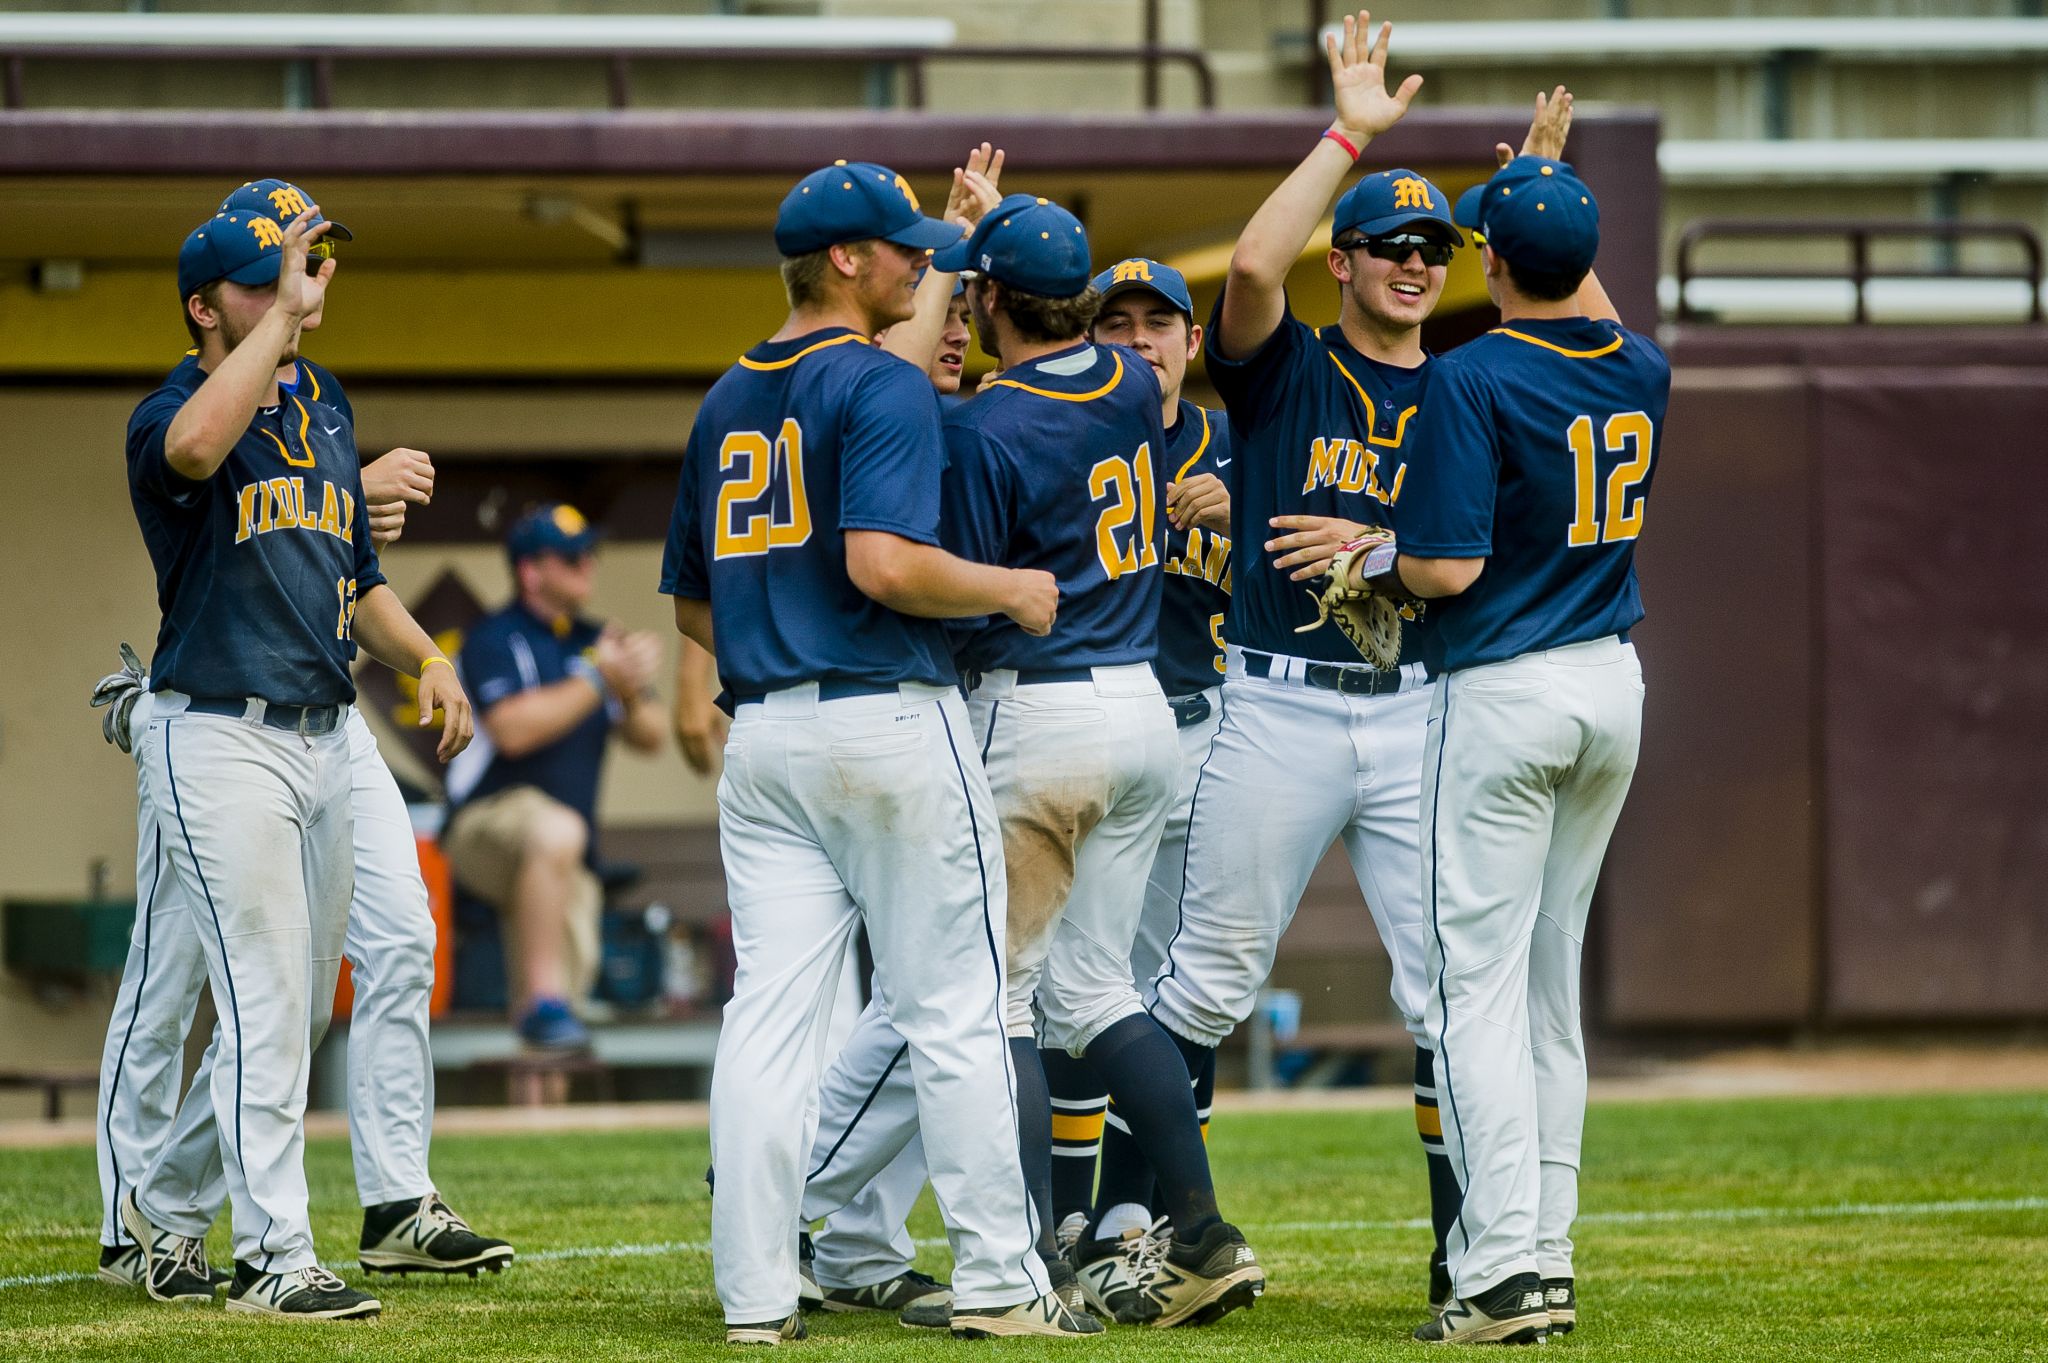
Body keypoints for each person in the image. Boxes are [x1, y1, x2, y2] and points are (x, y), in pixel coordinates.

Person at [661, 159, 1085, 1344]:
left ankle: (754, 1298)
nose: (922, 264)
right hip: (887, 720)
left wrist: (777, 628)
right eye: (902, 249)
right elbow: (885, 566)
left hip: (768, 736)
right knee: (952, 1010)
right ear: (842, 260)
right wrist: (1009, 587)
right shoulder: (877, 385)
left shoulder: (725, 393)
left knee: (767, 1025)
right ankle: (1002, 1283)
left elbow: (695, 612)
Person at [92, 179, 512, 1299]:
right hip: (219, 733)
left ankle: (174, 1210)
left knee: (309, 994)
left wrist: (424, 655)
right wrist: (281, 316)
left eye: (299, 266)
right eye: (257, 276)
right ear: (203, 306)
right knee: (253, 1000)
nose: (290, 285)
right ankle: (273, 1254)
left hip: (326, 729)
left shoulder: (320, 401)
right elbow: (191, 449)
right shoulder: (173, 407)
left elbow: (354, 578)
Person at [937, 195, 1262, 1329]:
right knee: (1101, 989)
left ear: (985, 297)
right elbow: (1100, 362)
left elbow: (966, 600)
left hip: (1039, 710)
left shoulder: (988, 423)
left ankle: (1026, 1267)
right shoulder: (1128, 386)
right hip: (1141, 710)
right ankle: (1203, 1230)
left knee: (1005, 1002)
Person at [1367, 152, 1661, 1344]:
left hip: (1501, 686)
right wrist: (1539, 190)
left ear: (1486, 260)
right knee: (1546, 991)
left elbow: (1440, 569)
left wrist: (1363, 561)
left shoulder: (1467, 375)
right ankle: (1542, 1252)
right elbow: (1584, 299)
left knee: (1467, 994)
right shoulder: (1639, 362)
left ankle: (1493, 1271)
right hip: (1609, 681)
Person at [1041, 258, 1234, 1257]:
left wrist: (1240, 518)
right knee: (1074, 988)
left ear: (1192, 343)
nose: (1136, 336)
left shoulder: (1230, 444)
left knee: (1175, 990)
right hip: (1081, 734)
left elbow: (1317, 585)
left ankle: (1136, 1213)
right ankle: (1068, 1216)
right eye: (1112, 319)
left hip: (1204, 732)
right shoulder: (1055, 431)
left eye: (1158, 320)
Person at [442, 504, 667, 1049]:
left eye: (589, 553)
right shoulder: (494, 636)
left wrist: (628, 686)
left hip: (567, 855)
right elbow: (513, 730)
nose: (587, 564)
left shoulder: (595, 639)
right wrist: (599, 679)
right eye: (570, 557)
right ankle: (542, 1000)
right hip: (484, 828)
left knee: (560, 1026)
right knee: (557, 831)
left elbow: (653, 736)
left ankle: (542, 1076)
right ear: (530, 571)